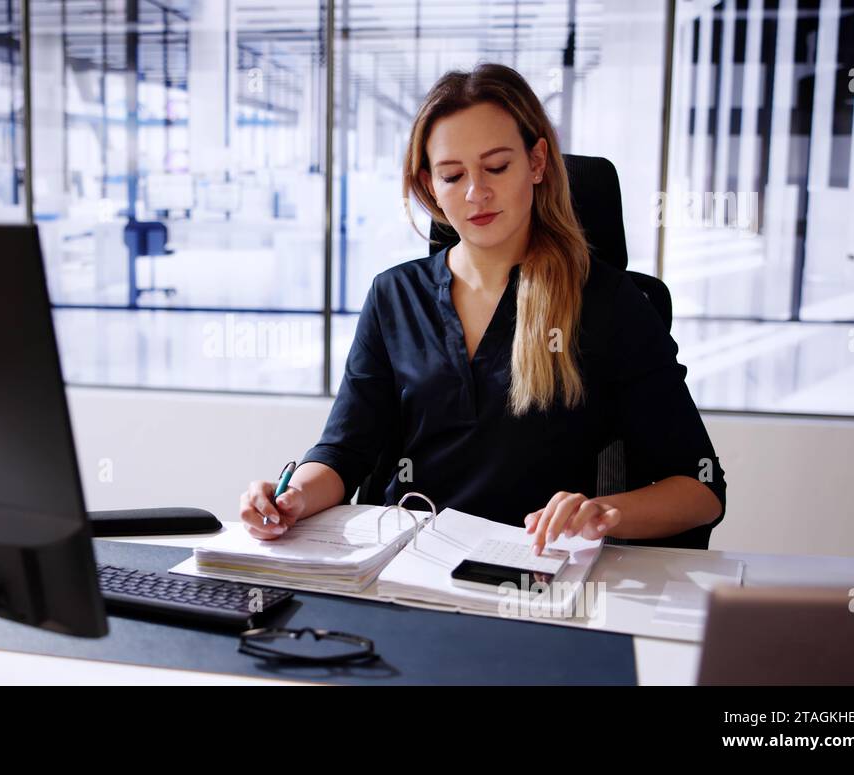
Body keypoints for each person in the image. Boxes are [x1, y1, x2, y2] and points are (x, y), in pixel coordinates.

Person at [239, 63, 726, 555]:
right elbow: (345, 451)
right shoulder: (394, 296)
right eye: (452, 175)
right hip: (403, 567)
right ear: (430, 185)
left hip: (533, 574)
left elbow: (701, 489)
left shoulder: (609, 303)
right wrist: (294, 496)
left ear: (537, 163)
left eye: (497, 167)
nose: (476, 193)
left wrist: (604, 512)